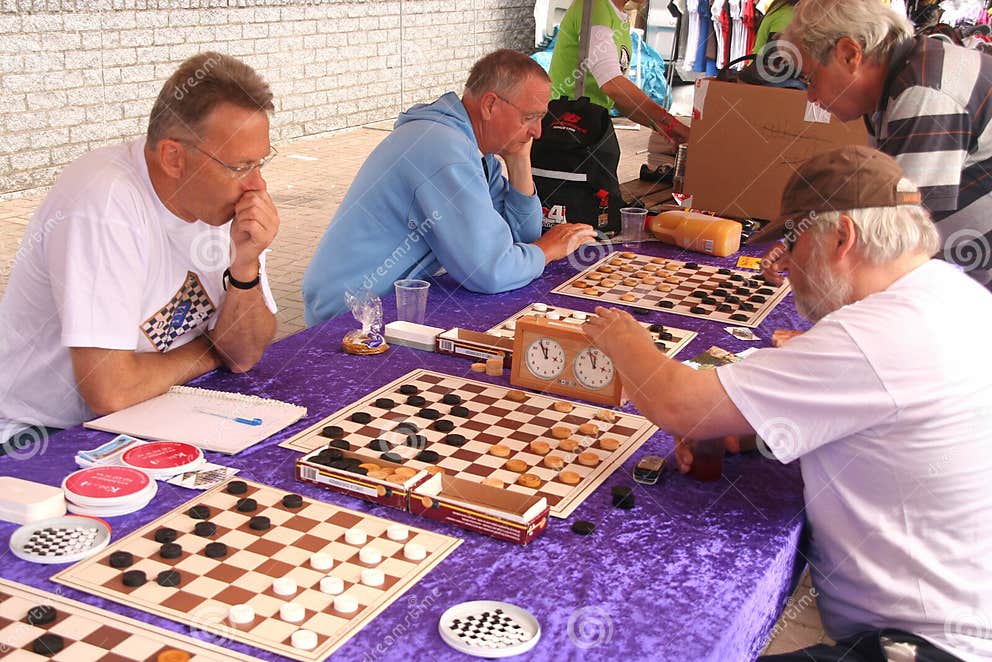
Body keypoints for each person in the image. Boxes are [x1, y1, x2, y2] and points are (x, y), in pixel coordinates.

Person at [584, 145, 992, 662]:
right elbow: (878, 420)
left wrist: (624, 339)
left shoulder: (876, 334)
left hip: (931, 648)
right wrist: (753, 432)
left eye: (794, 245)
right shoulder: (954, 293)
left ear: (842, 237)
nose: (787, 267)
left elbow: (679, 405)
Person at [0, 52, 280, 453]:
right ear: (173, 157)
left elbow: (244, 355)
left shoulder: (225, 208)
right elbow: (110, 391)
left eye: (260, 162)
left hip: (158, 407)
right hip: (41, 435)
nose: (257, 185)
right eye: (239, 167)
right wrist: (211, 348)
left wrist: (246, 266)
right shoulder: (104, 202)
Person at [302, 49, 597, 324]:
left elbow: (521, 240)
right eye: (529, 117)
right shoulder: (443, 149)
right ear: (490, 105)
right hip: (346, 313)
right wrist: (547, 250)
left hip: (383, 303)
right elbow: (490, 271)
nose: (538, 132)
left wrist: (519, 162)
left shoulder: (473, 150)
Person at [760, 0, 992, 289]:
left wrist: (810, 248)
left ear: (849, 54)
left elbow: (896, 232)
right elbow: (876, 198)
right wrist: (799, 241)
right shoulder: (895, 86)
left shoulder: (924, 91)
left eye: (812, 78)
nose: (811, 96)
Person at [548, 0, 690, 143]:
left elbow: (619, 98)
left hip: (587, 123)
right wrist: (670, 121)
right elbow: (612, 84)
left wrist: (660, 124)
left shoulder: (618, 17)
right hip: (564, 126)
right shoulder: (596, 8)